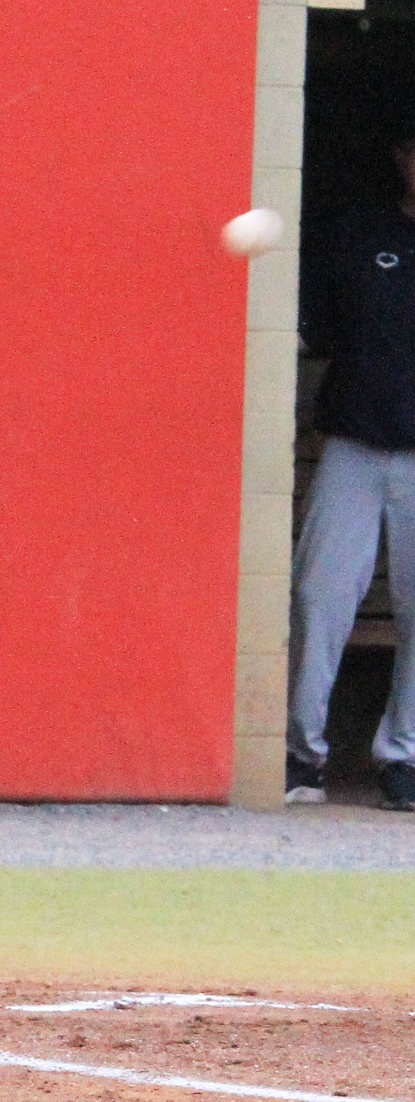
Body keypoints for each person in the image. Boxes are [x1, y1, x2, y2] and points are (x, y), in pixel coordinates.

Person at [289, 120, 415, 810]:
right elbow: (315, 328)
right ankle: (302, 753)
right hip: (354, 444)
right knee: (321, 597)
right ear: (402, 158)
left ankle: (403, 756)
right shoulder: (359, 233)